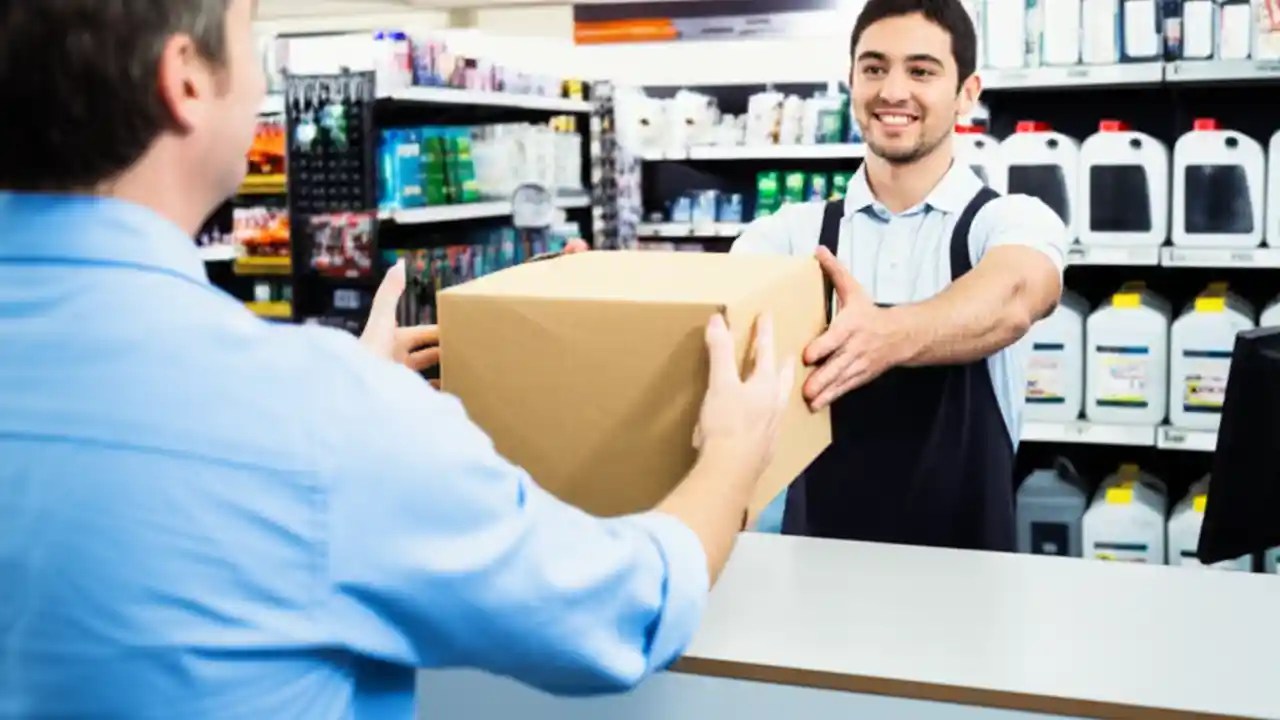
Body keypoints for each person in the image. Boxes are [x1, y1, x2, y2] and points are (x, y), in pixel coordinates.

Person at [0, 2, 795, 718]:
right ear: (185, 82)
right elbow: (623, 614)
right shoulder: (317, 416)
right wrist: (732, 457)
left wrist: (354, 395)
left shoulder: (320, 407)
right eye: (251, 34)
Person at [734, 0, 1067, 551]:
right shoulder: (792, 234)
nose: (892, 90)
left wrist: (887, 338)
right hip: (816, 583)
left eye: (921, 70)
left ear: (967, 91)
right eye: (873, 67)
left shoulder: (1008, 219)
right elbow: (716, 307)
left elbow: (1011, 297)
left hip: (967, 585)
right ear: (851, 81)